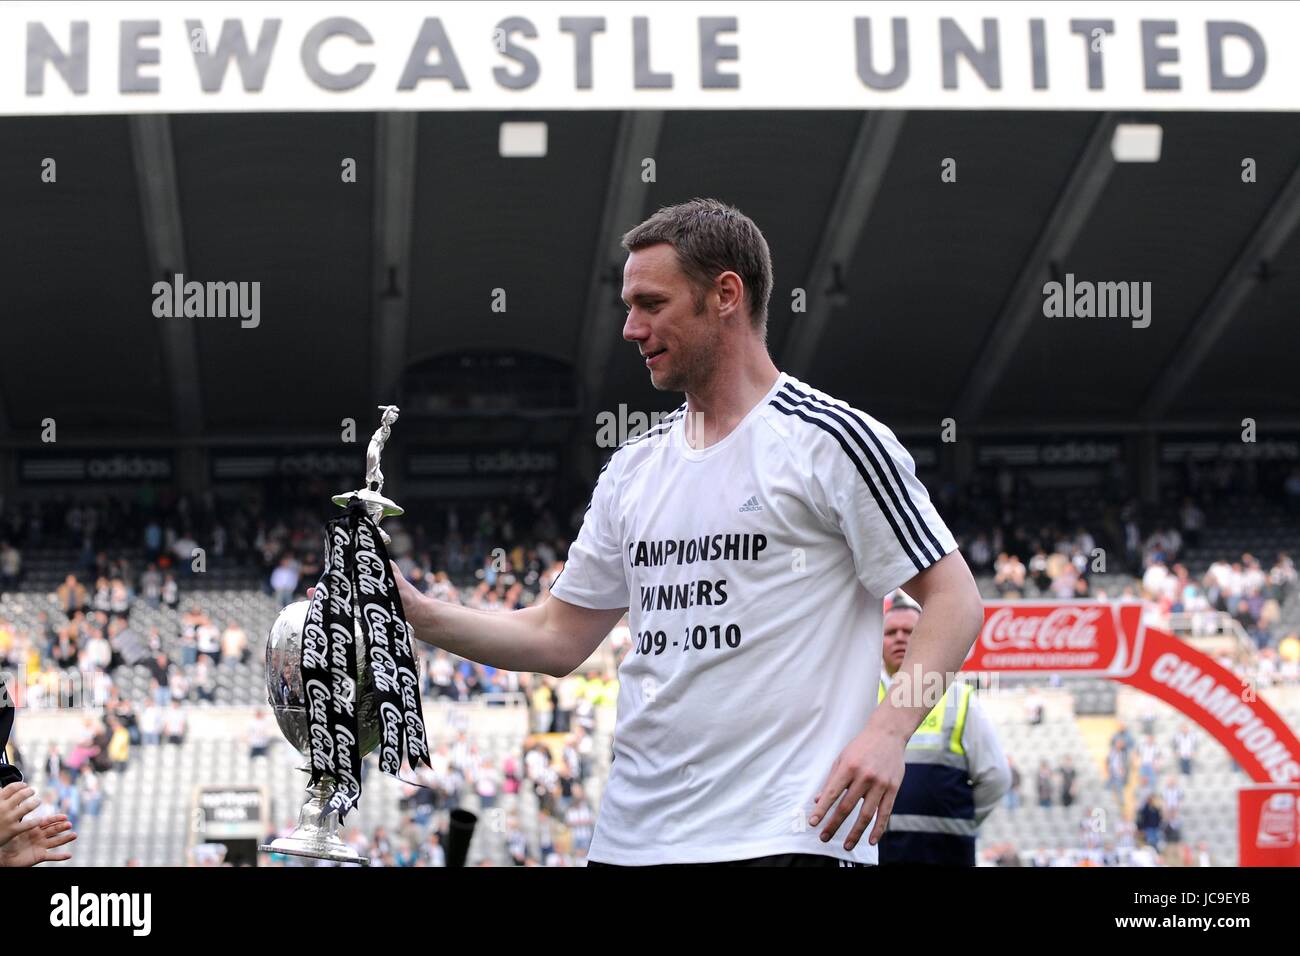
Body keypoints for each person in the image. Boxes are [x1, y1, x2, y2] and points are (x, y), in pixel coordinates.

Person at [388, 199, 982, 866]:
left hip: (784, 835)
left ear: (725, 294)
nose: (630, 328)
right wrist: (414, 611)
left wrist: (889, 732)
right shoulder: (632, 470)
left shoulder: (831, 441)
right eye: (629, 306)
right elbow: (556, 637)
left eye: (651, 303)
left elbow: (956, 600)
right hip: (631, 842)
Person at [876, 601, 1009, 865]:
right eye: (891, 632)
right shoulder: (862, 697)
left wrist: (954, 819)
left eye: (909, 631)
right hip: (877, 853)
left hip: (944, 853)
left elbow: (996, 777)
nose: (900, 638)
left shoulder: (959, 699)